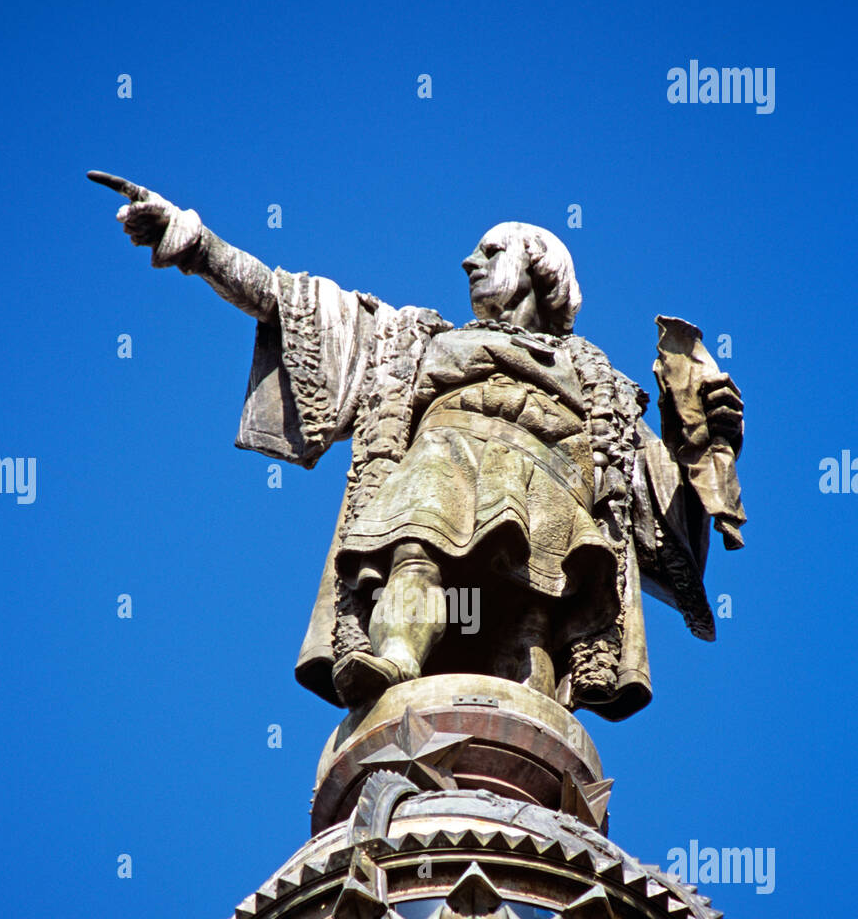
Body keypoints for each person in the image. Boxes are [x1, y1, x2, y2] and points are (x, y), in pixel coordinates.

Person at [89, 171, 745, 718]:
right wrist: (198, 245)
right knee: (423, 511)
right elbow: (288, 302)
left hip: (552, 501)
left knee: (529, 624)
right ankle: (397, 651)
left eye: (491, 252)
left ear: (537, 267)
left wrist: (706, 439)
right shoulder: (415, 341)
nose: (469, 262)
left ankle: (528, 714)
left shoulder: (601, 385)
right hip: (444, 468)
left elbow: (665, 523)